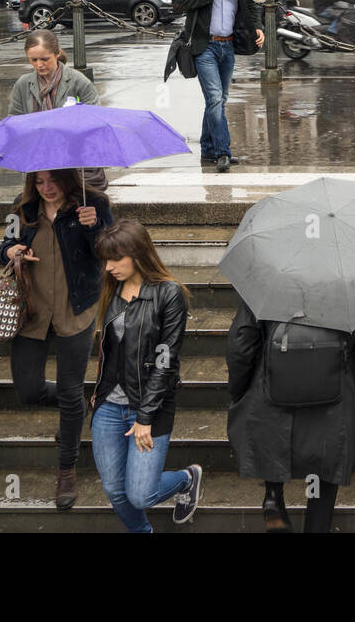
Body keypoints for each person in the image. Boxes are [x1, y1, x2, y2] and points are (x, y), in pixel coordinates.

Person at [0, 169, 112, 510]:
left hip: (74, 309)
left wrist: (95, 228)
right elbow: (3, 246)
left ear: (67, 179)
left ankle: (67, 471)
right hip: (31, 310)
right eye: (39, 182)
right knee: (28, 389)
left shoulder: (95, 204)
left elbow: (108, 252)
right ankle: (77, 406)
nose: (46, 189)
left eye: (53, 181)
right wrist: (11, 251)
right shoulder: (21, 208)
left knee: (70, 388)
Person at [226, 307, 355, 533]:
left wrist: (239, 389)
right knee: (326, 469)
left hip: (275, 394)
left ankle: (274, 496)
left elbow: (241, 346)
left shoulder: (269, 283)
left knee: (273, 436)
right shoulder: (349, 291)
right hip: (334, 404)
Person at [89, 220, 202, 532]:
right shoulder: (111, 290)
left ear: (138, 254)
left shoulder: (169, 294)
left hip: (150, 406)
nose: (109, 267)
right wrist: (99, 394)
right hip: (110, 406)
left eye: (115, 259)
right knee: (114, 489)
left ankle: (187, 478)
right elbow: (110, 350)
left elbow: (165, 362)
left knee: (141, 494)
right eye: (105, 260)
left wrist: (145, 417)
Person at [169, 0, 264, 173]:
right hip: (204, 46)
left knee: (218, 100)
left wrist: (258, 27)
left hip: (228, 45)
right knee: (214, 98)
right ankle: (223, 152)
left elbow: (250, 5)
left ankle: (208, 148)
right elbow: (178, 2)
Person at [8, 30, 106, 192]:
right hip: (39, 162)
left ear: (57, 53)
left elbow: (95, 121)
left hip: (75, 162)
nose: (39, 65)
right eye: (33, 60)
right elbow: (14, 123)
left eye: (45, 59)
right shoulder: (23, 84)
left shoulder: (78, 81)